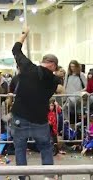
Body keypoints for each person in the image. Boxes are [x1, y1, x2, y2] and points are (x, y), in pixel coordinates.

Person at [11, 26, 62, 180]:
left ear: (44, 62)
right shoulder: (54, 80)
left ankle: (23, 177)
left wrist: (24, 34)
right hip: (39, 119)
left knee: (20, 148)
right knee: (46, 148)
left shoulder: (27, 67)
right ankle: (48, 176)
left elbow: (16, 49)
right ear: (53, 65)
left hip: (20, 116)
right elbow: (54, 88)